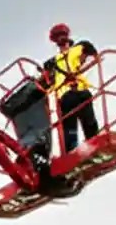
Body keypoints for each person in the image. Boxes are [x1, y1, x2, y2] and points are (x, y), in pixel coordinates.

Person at [43, 23, 100, 153]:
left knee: (89, 120)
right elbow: (46, 80)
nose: (61, 40)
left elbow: (96, 57)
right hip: (65, 94)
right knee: (69, 127)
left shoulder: (80, 47)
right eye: (58, 38)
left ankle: (94, 143)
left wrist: (84, 64)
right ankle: (73, 151)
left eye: (62, 36)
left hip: (80, 89)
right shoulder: (52, 62)